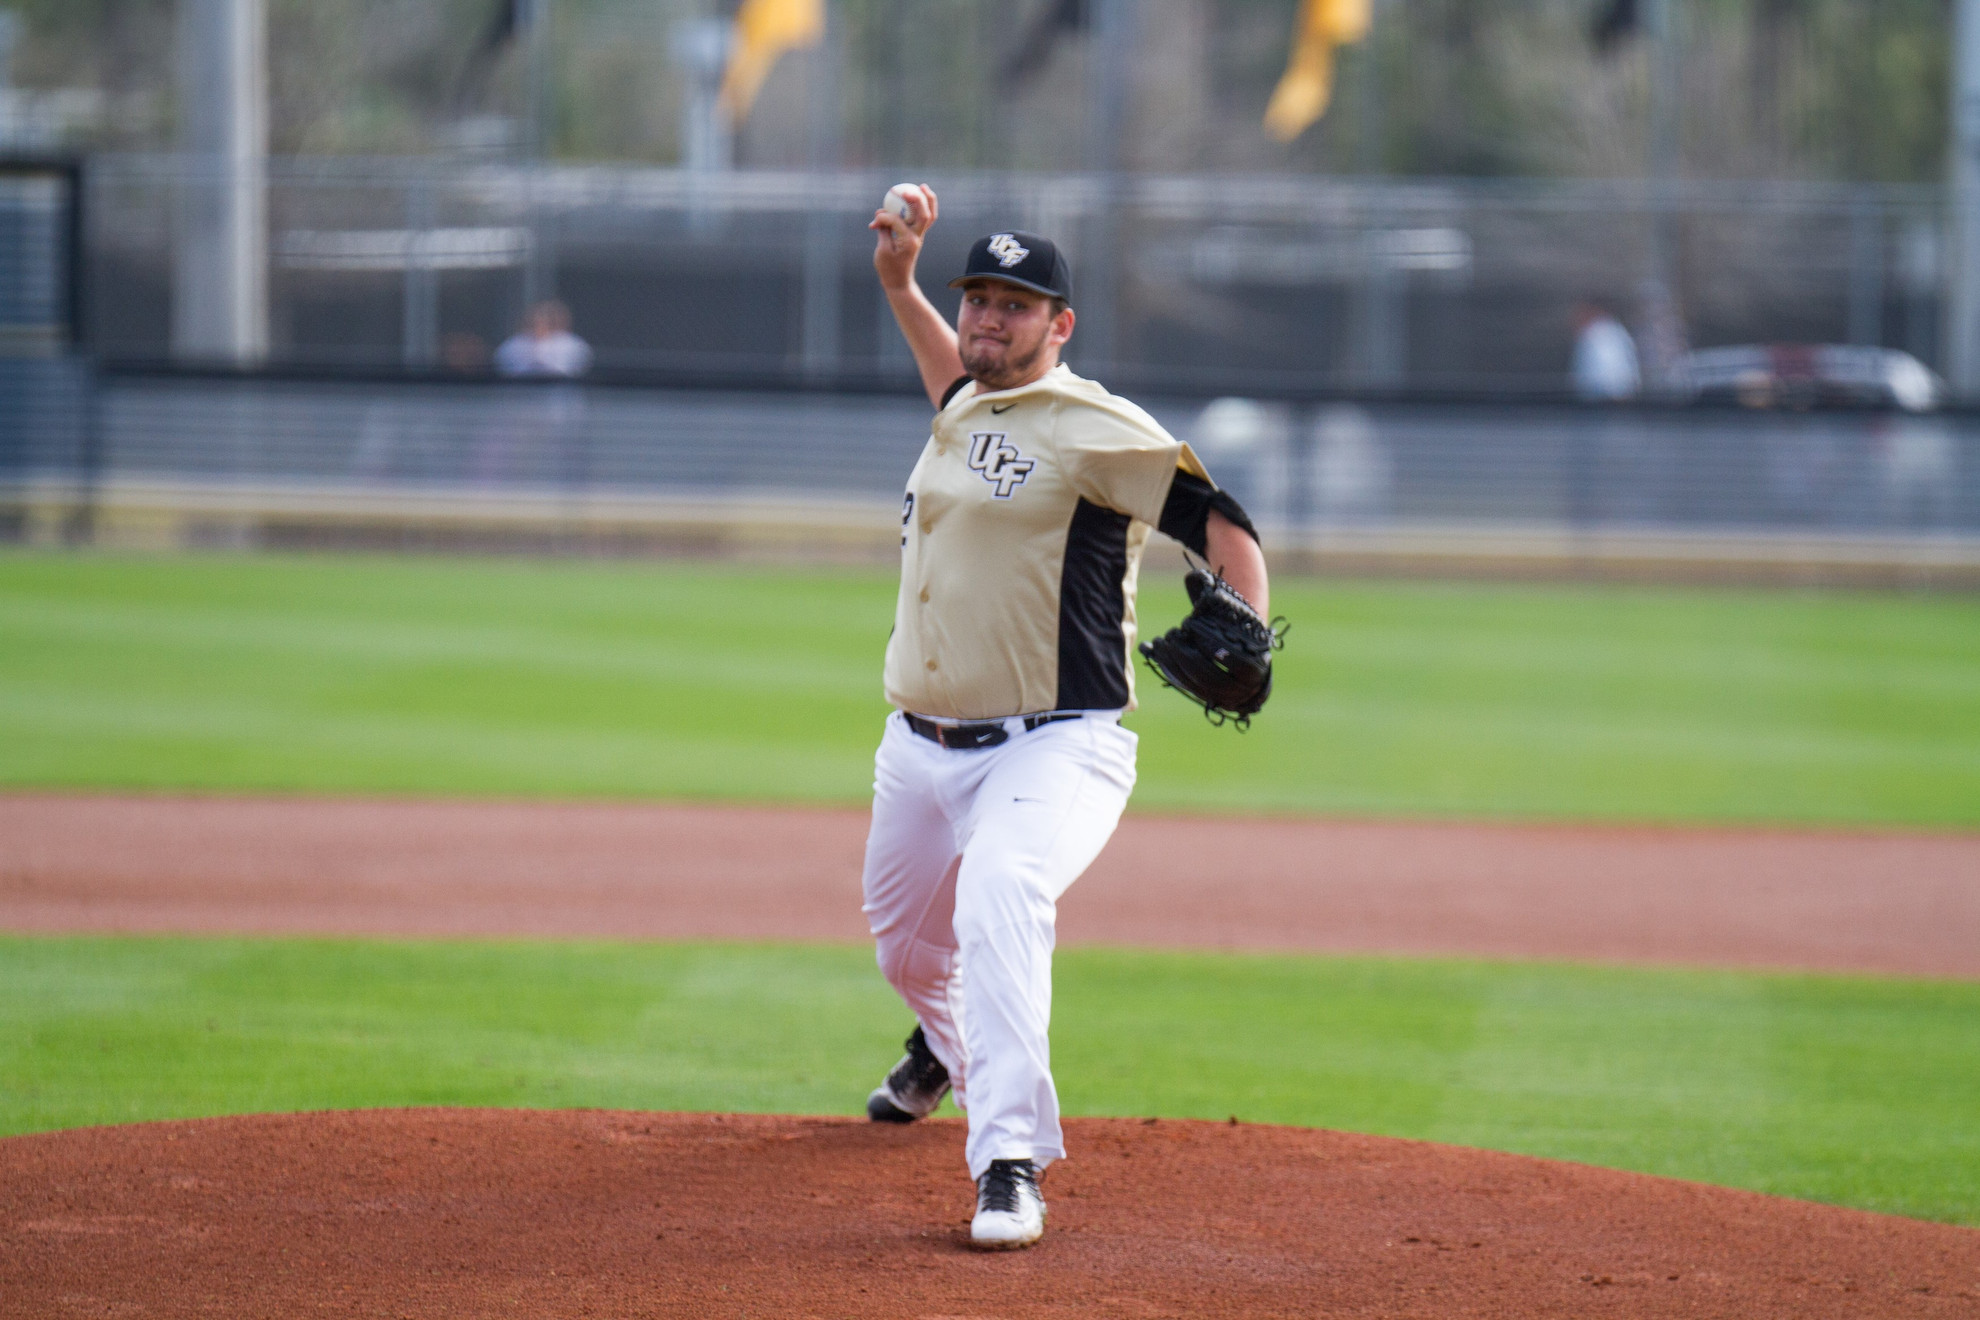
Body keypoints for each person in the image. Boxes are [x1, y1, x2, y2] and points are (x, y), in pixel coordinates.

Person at [859, 186, 1269, 1250]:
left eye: (1015, 304)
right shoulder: (966, 403)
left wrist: (1247, 622)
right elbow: (950, 379)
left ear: (1060, 324)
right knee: (906, 950)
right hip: (918, 744)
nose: (990, 319)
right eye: (979, 299)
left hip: (1056, 741)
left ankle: (1008, 1162)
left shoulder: (1096, 428)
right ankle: (948, 1050)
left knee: (1001, 895)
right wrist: (902, 284)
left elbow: (1221, 522)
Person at [494, 300, 593, 377]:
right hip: (521, 397)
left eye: (547, 317)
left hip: (561, 398)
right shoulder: (513, 345)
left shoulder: (572, 344)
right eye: (538, 317)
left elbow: (575, 371)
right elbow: (506, 371)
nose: (541, 322)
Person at [1570, 299, 1640, 402]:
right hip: (1610, 402)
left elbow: (1607, 380)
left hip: (1603, 404)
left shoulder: (1598, 334)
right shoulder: (1616, 330)